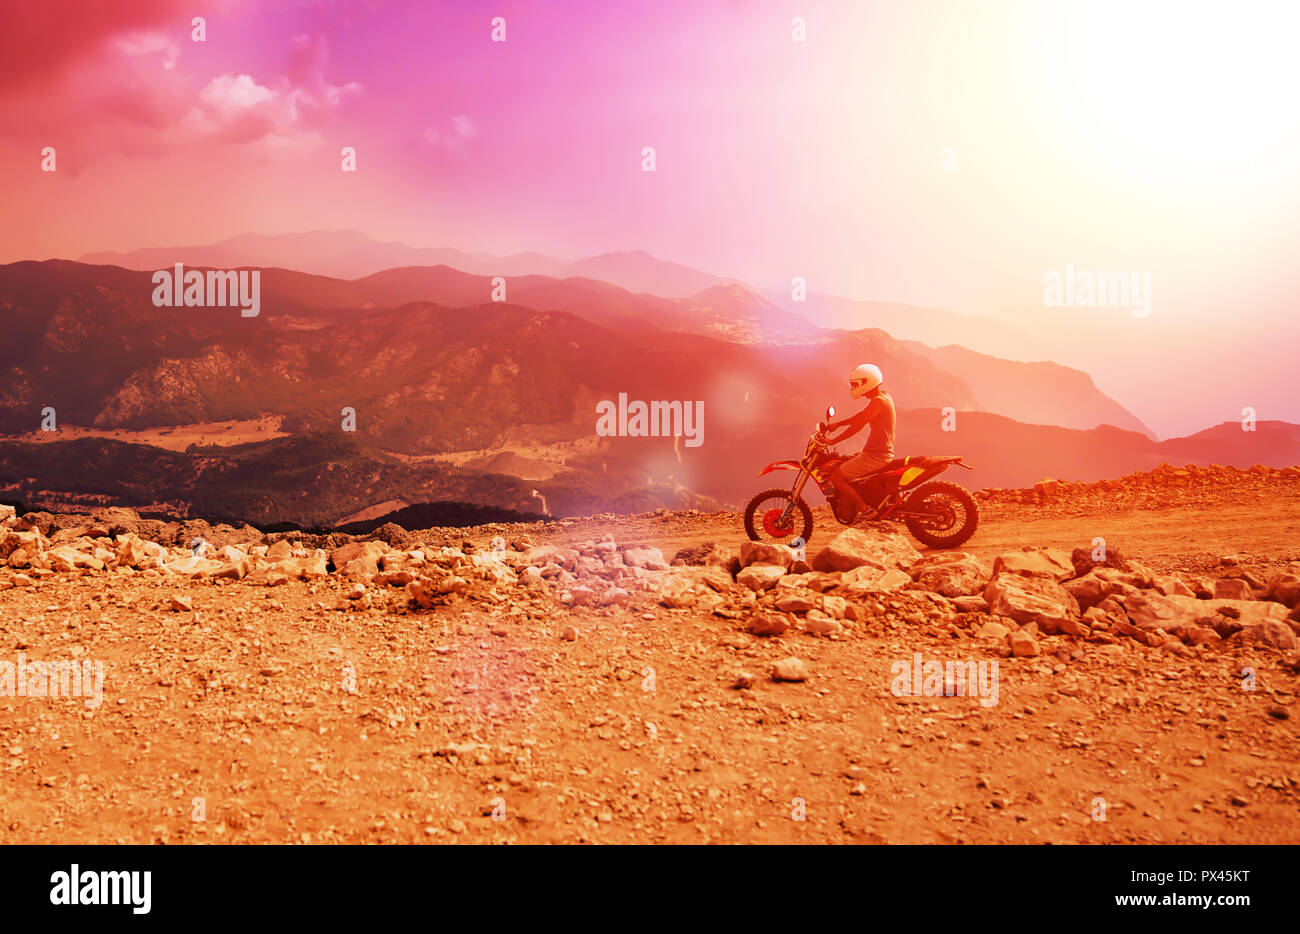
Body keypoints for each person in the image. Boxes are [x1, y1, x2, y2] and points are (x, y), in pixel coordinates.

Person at [825, 363, 896, 520]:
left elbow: (858, 425)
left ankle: (865, 510)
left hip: (877, 455)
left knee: (836, 477)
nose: (853, 387)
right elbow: (861, 416)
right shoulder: (882, 397)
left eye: (855, 384)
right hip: (875, 452)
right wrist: (837, 424)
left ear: (867, 382)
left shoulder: (878, 401)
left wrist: (833, 441)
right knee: (843, 462)